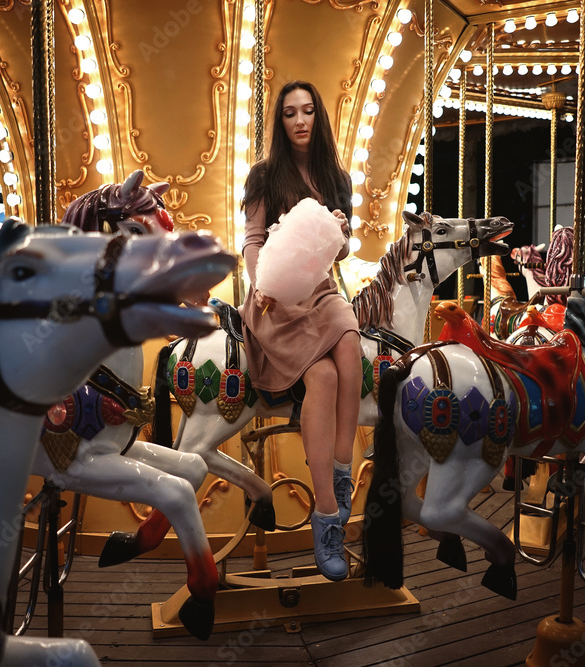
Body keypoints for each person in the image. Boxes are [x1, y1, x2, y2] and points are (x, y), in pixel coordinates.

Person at [238, 80, 362, 581]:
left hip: (321, 290)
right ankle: (327, 521)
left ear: (319, 116)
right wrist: (261, 282)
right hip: (277, 298)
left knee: (351, 346)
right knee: (324, 378)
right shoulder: (265, 176)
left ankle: (340, 471)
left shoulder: (337, 177)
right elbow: (250, 241)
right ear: (280, 122)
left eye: (308, 110)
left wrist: (341, 231)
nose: (300, 120)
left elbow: (344, 250)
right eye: (290, 113)